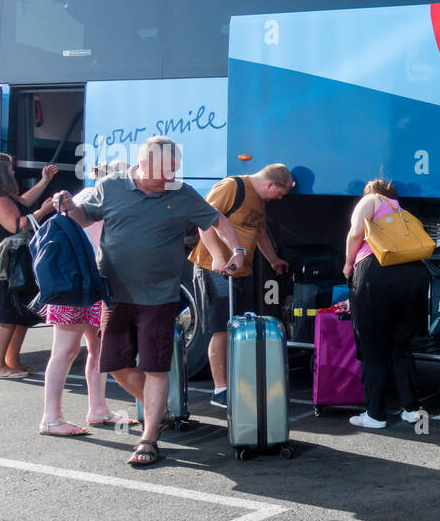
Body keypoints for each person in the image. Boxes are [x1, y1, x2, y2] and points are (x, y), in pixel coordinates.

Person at [61, 136, 246, 467]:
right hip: (115, 295)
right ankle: (160, 409)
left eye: (175, 169)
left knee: (155, 367)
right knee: (114, 364)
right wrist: (67, 208)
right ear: (142, 165)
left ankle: (149, 438)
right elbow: (84, 217)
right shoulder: (112, 187)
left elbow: (216, 220)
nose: (171, 177)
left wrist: (238, 252)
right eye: (165, 171)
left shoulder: (182, 193)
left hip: (160, 297)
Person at [188, 164, 293, 408]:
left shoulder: (259, 199)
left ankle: (238, 383)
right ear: (270, 184)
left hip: (240, 271)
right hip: (214, 269)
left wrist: (273, 259)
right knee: (220, 328)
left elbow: (260, 231)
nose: (280, 198)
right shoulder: (232, 187)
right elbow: (205, 222)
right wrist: (216, 256)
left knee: (239, 327)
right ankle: (220, 390)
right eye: (281, 193)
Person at [341, 180, 431, 428]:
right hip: (414, 274)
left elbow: (356, 233)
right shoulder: (403, 212)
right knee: (400, 345)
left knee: (372, 344)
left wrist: (349, 263)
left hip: (377, 272)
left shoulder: (371, 200)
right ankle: (411, 408)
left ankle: (375, 414)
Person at [0, 153, 59, 379]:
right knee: (7, 316)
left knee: (20, 315)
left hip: (11, 262)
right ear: (0, 173)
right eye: (9, 169)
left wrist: (44, 181)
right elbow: (16, 225)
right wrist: (44, 211)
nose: (13, 172)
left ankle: (12, 361)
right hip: (4, 266)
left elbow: (24, 202)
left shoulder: (3, 197)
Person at [37, 199, 121, 437]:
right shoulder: (98, 201)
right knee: (70, 351)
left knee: (87, 350)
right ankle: (52, 418)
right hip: (81, 283)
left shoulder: (83, 199)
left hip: (76, 283)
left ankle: (97, 409)